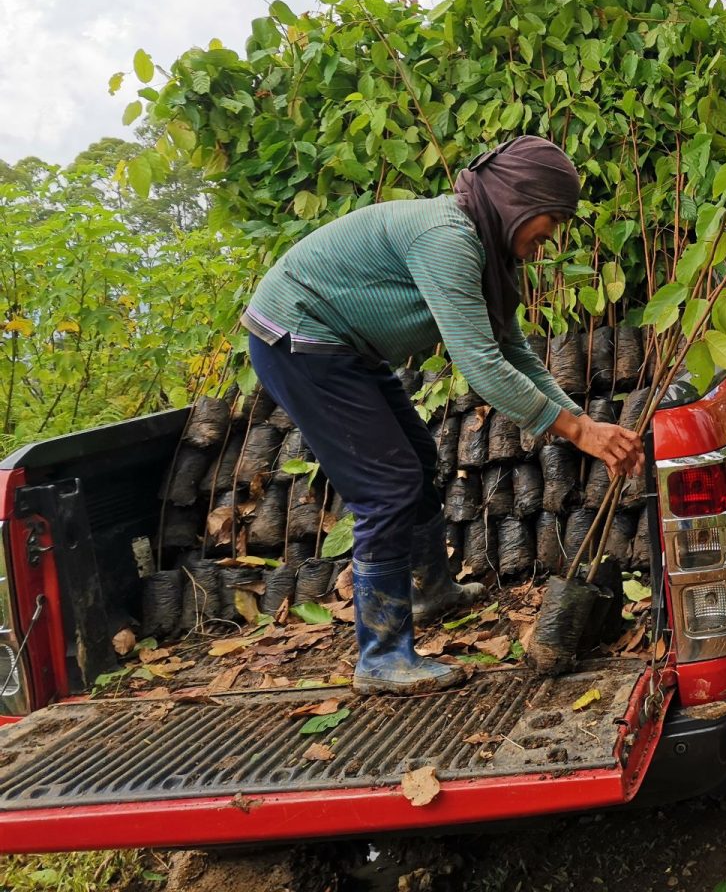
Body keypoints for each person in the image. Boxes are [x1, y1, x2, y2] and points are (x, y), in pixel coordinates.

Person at [244, 135, 644, 696]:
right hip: (299, 339)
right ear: (517, 201)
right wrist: (577, 431)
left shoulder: (484, 246)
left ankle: (431, 592)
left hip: (346, 347)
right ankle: (382, 657)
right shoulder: (449, 240)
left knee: (416, 456)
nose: (551, 237)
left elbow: (514, 350)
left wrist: (582, 420)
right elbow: (482, 365)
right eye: (550, 220)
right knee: (386, 489)